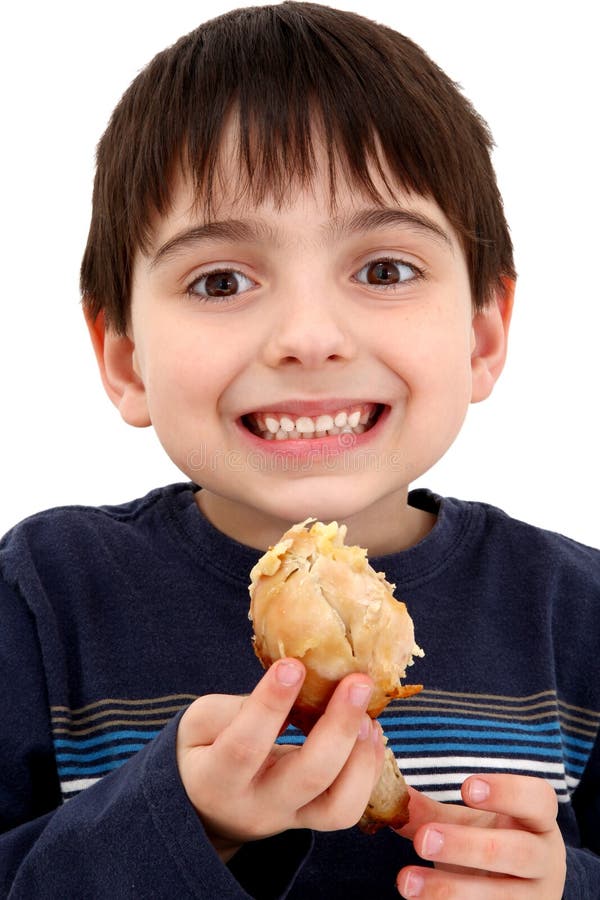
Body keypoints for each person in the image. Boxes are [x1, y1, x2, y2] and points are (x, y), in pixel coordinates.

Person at [1, 2, 598, 897]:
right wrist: (182, 820)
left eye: (384, 270)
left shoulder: (574, 614)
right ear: (125, 360)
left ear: (482, 336)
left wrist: (564, 884)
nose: (308, 336)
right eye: (221, 280)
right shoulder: (48, 596)